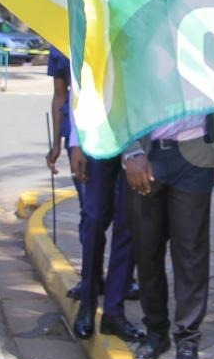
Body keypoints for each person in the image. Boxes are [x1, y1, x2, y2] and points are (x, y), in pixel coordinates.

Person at [46, 47, 144, 343]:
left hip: (132, 137)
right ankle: (88, 303)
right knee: (94, 219)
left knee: (128, 225)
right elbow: (80, 88)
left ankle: (114, 312)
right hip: (96, 137)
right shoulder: (87, 22)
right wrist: (75, 142)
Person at [123, 113, 214, 359]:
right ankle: (156, 332)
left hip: (195, 154)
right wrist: (131, 151)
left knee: (191, 253)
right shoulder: (138, 67)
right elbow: (120, 98)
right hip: (147, 155)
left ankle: (188, 340)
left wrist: (213, 152)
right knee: (147, 250)